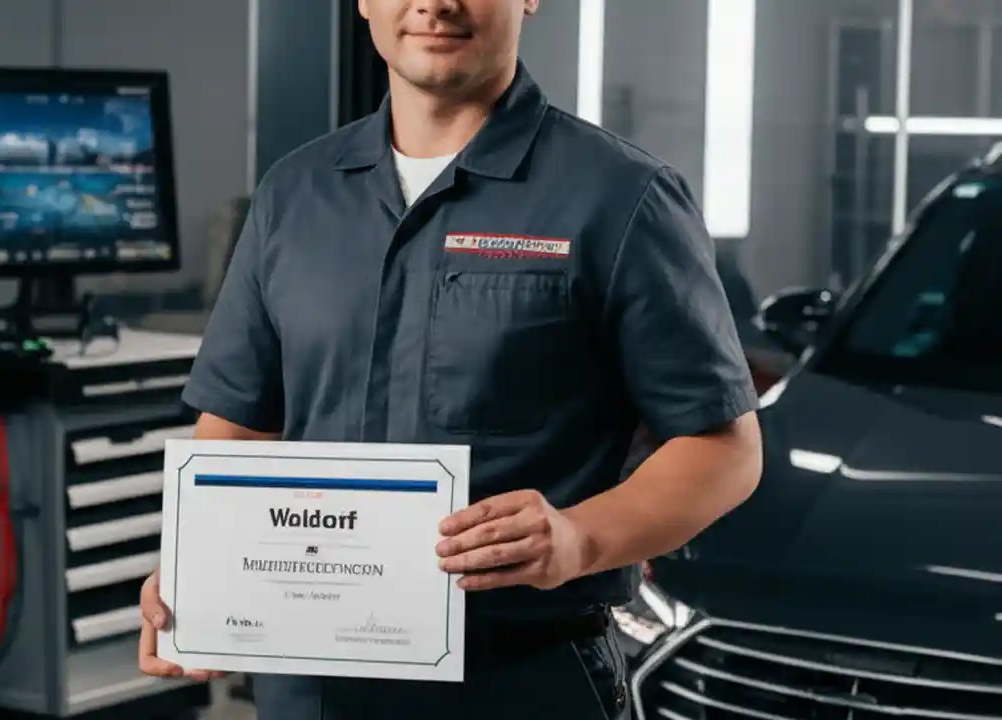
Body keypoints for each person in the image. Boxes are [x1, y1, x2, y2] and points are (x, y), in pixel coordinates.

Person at [140, 0, 763, 717]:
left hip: (523, 681)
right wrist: (197, 570)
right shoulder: (294, 194)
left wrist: (579, 538)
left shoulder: (621, 196)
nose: (435, 4)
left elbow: (724, 449)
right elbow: (241, 426)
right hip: (308, 688)